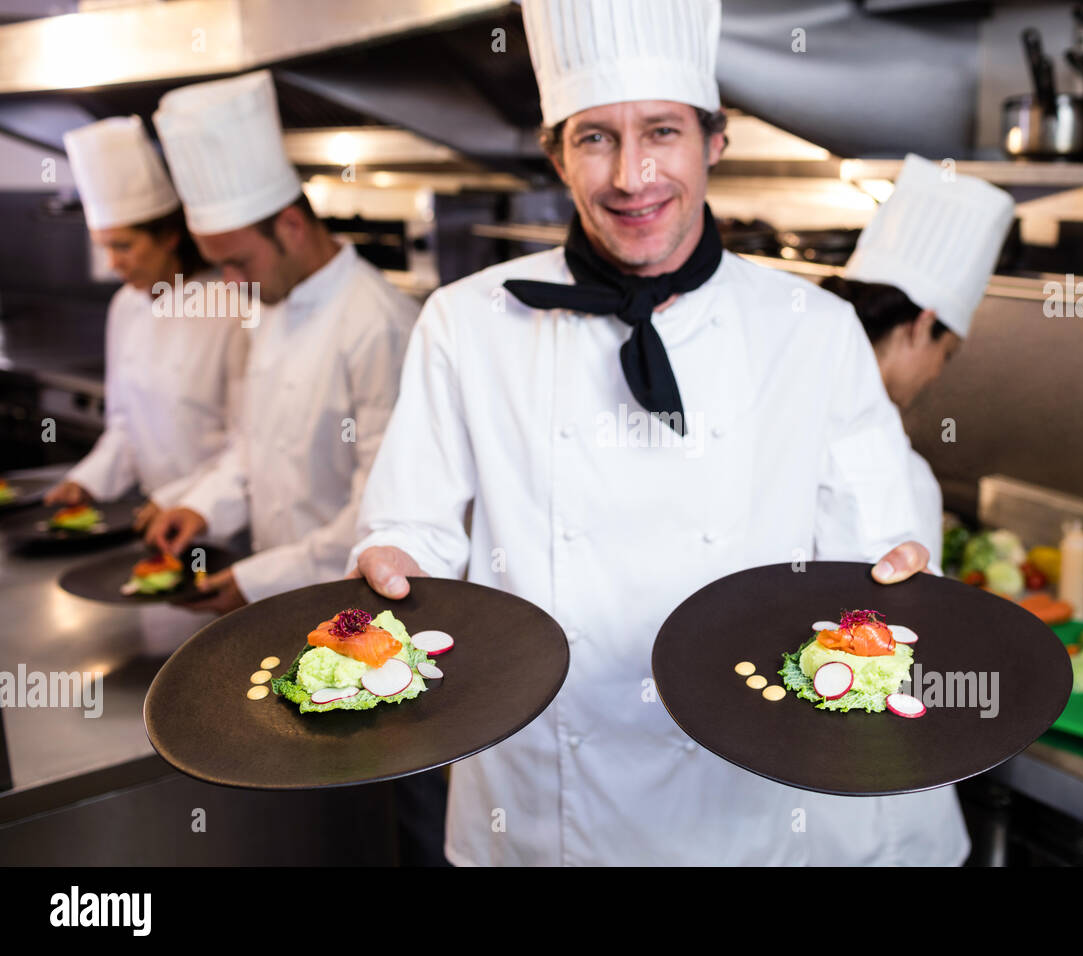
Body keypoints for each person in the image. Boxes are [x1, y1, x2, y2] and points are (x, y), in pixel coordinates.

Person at [350, 0, 966, 866]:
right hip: (539, 806)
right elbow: (412, 527)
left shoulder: (813, 329)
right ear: (557, 154)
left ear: (716, 142)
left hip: (742, 800)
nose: (633, 176)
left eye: (663, 132)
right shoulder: (465, 322)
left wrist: (898, 579)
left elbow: (874, 553)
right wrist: (394, 565)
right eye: (595, 137)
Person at [143, 70, 418, 614]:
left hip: (349, 599)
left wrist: (261, 579)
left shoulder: (379, 325)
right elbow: (254, 446)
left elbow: (381, 507)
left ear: (291, 225)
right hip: (277, 594)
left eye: (237, 261)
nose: (229, 282)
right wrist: (201, 507)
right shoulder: (273, 302)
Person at [44, 115, 248, 533]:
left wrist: (185, 502)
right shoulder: (126, 306)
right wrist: (86, 480)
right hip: (158, 524)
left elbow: (250, 443)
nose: (113, 264)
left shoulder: (233, 307)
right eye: (104, 247)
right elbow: (125, 425)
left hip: (224, 521)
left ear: (169, 236)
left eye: (124, 246)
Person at [822, 154, 1015, 561]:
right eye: (945, 354)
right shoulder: (893, 468)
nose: (936, 374)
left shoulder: (783, 385)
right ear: (923, 324)